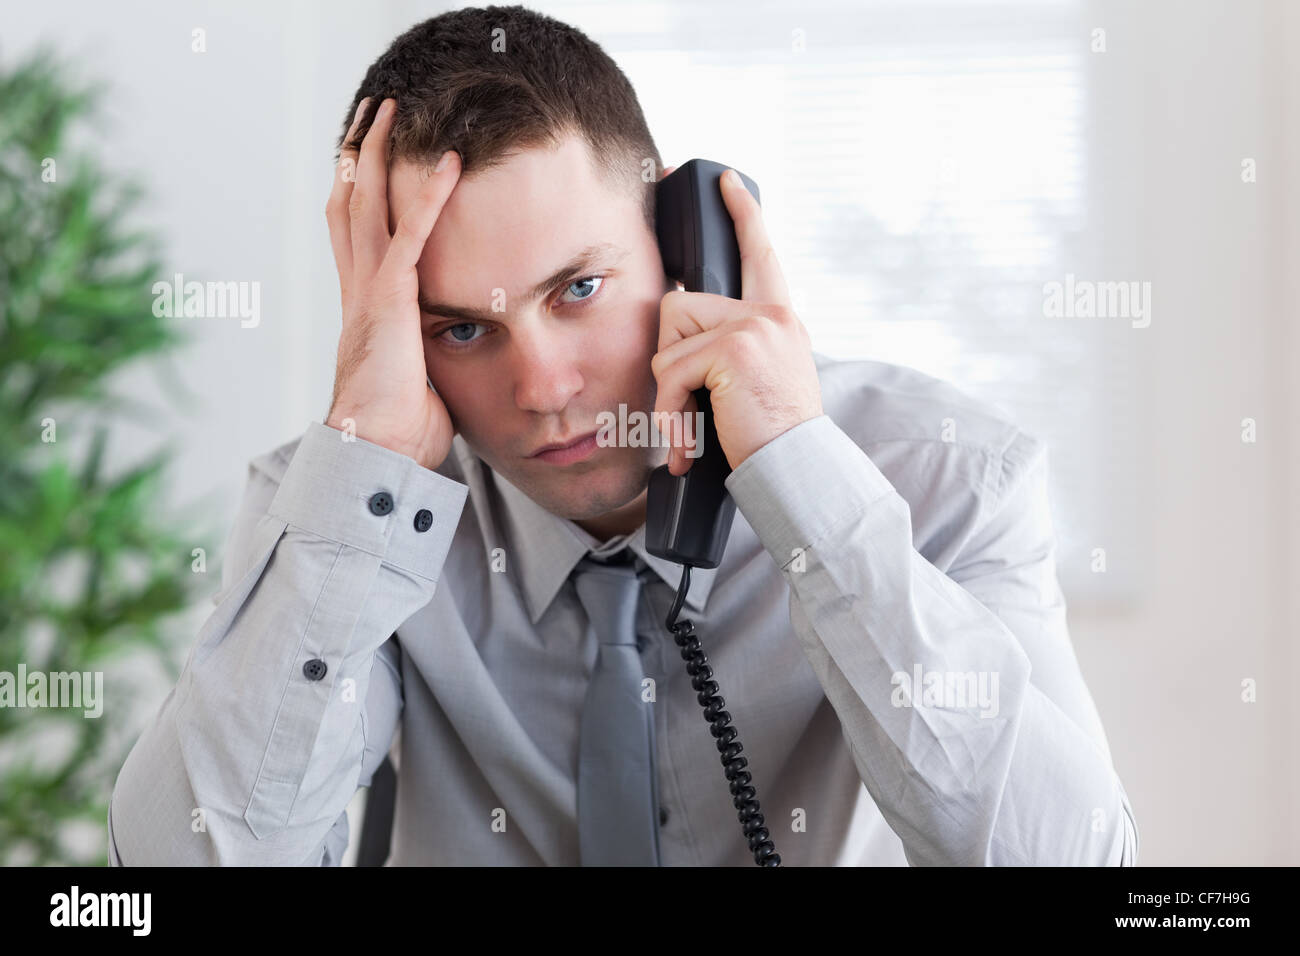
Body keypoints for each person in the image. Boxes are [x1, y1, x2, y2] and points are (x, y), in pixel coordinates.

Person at [108, 4, 1138, 866]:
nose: (543, 386)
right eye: (461, 327)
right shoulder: (341, 509)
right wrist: (356, 488)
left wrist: (800, 481)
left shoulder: (947, 477)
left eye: (580, 288)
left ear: (686, 242)